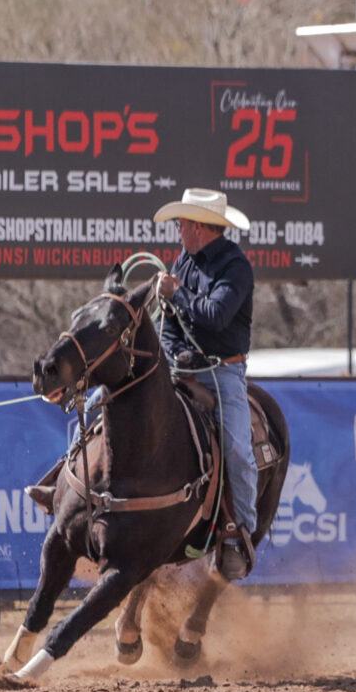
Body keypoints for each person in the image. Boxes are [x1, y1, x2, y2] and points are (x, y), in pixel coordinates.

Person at [25, 187, 258, 581]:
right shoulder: (184, 261)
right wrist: (170, 348)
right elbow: (170, 322)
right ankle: (63, 487)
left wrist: (176, 293)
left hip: (221, 373)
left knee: (237, 447)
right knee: (99, 407)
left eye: (181, 224)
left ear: (199, 226)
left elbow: (215, 316)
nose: (178, 231)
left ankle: (239, 531)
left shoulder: (235, 267)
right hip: (177, 366)